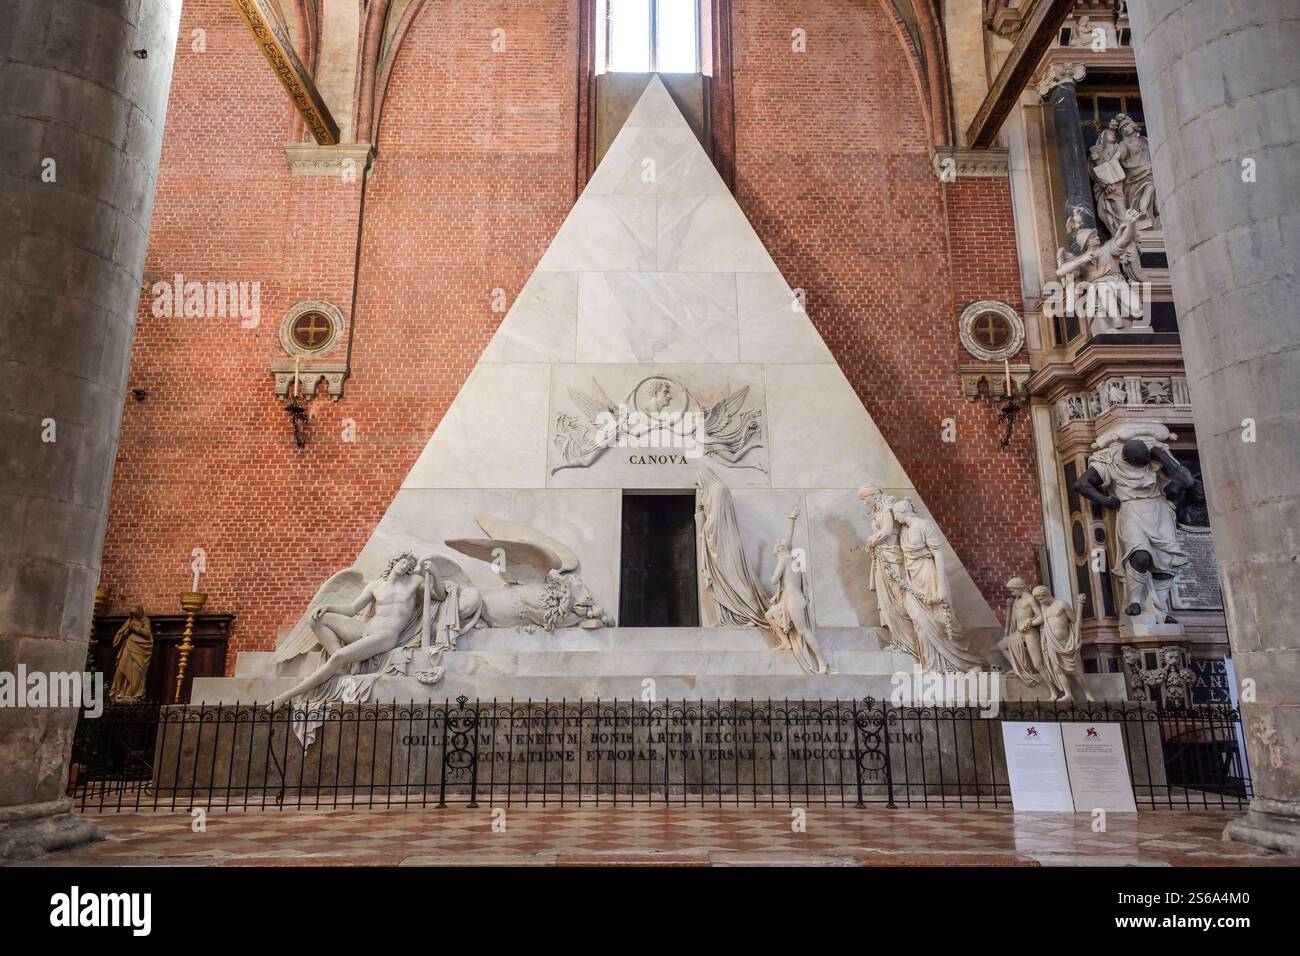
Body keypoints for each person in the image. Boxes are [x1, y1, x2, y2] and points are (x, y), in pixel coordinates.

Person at [891, 498, 984, 673]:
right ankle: (930, 664)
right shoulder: (903, 530)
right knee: (919, 620)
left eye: (896, 514)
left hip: (929, 576)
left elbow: (938, 553)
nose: (895, 518)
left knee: (939, 619)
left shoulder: (924, 525)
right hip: (913, 580)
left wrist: (941, 586)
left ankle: (961, 663)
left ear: (903, 512)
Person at [110, 606, 153, 703]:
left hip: (140, 650)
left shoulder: (145, 620)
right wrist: (126, 632)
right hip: (129, 645)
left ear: (140, 612)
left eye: (135, 614)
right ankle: (119, 692)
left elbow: (148, 634)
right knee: (121, 668)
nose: (133, 616)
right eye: (132, 614)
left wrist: (136, 628)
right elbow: (123, 633)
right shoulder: (130, 620)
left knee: (136, 670)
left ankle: (130, 693)